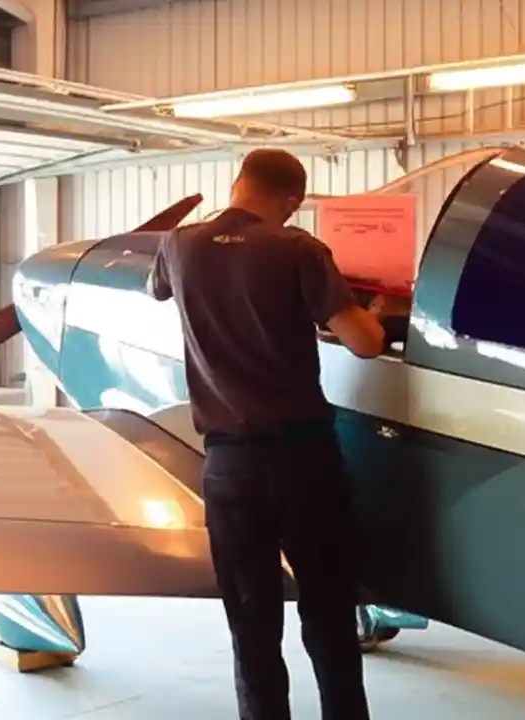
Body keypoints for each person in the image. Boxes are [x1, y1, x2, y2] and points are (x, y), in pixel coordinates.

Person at [146, 148, 393, 720]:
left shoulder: (178, 245)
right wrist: (370, 307)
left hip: (228, 468)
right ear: (293, 202)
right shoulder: (299, 249)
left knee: (252, 626)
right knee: (329, 616)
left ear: (237, 184)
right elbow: (366, 343)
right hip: (304, 462)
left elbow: (157, 291)